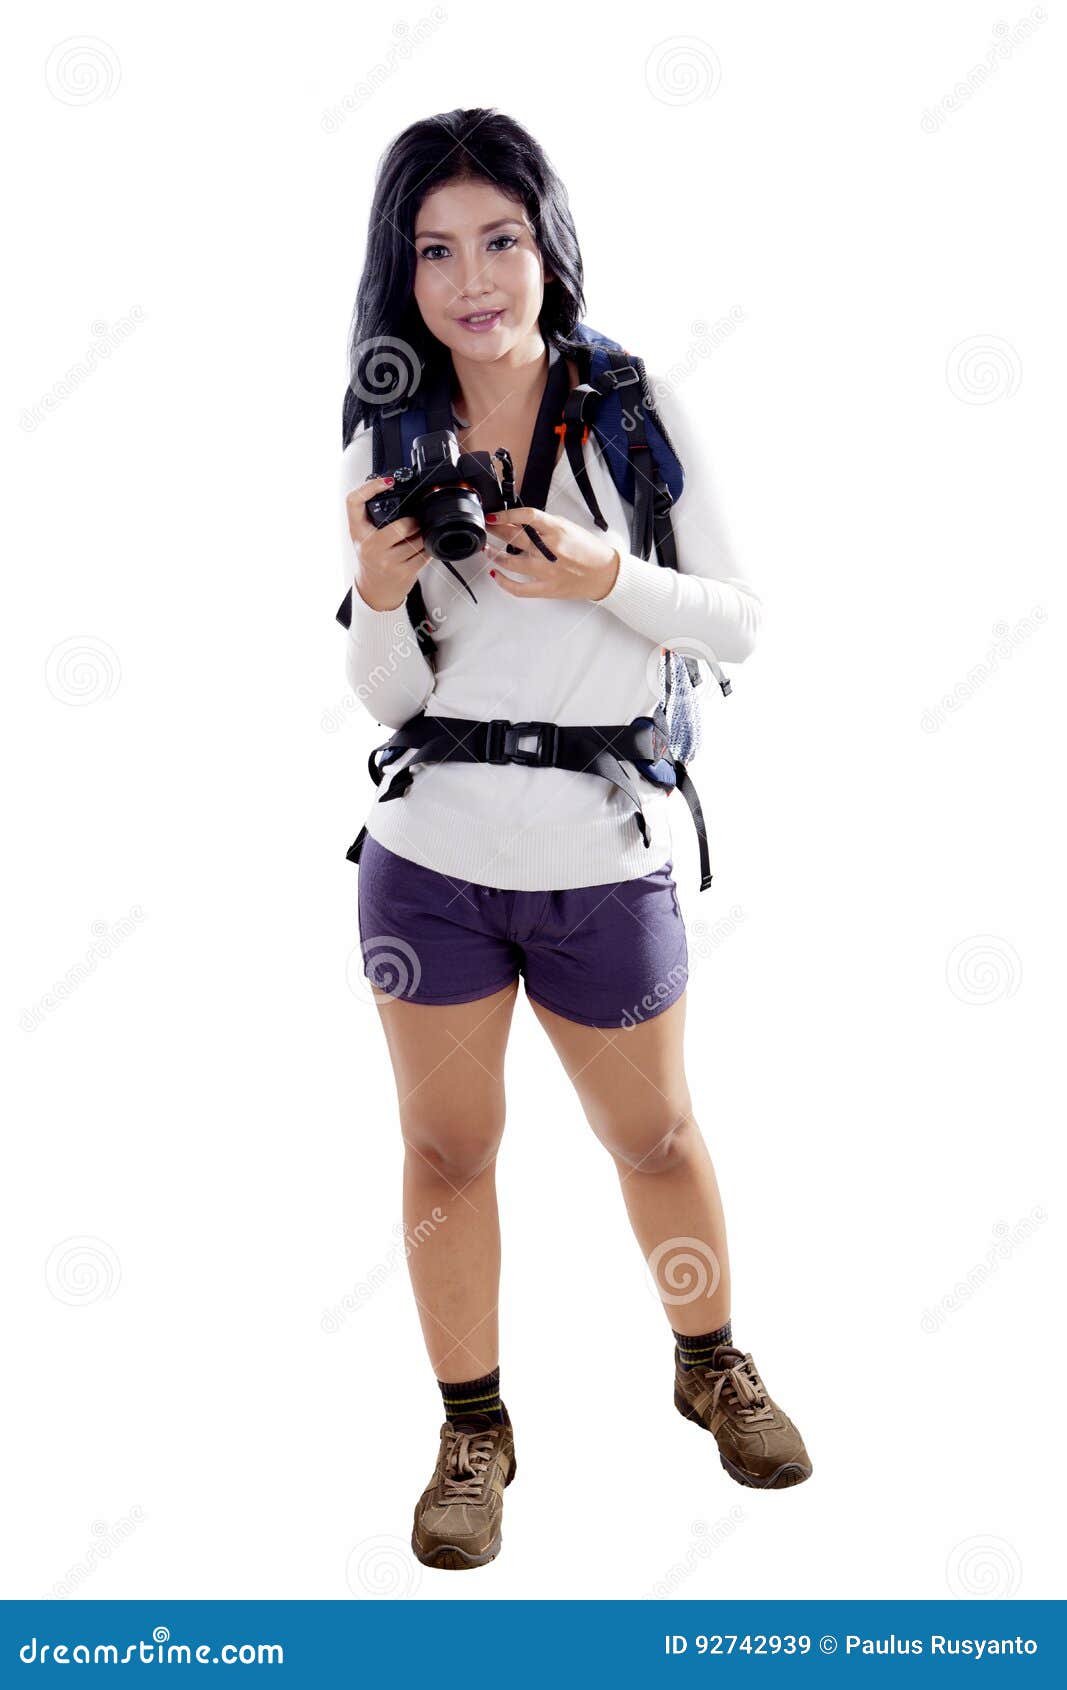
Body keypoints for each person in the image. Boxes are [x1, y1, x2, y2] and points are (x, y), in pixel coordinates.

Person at [339, 108, 811, 1572]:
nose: (471, 277)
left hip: (605, 852)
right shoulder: (388, 424)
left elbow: (739, 620)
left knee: (655, 1130)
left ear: (547, 244)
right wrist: (372, 585)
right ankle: (471, 1428)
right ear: (400, 272)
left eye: (499, 239)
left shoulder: (628, 400)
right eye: (435, 250)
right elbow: (388, 690)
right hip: (434, 859)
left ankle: (709, 1358)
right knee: (446, 1147)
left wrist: (612, 575)